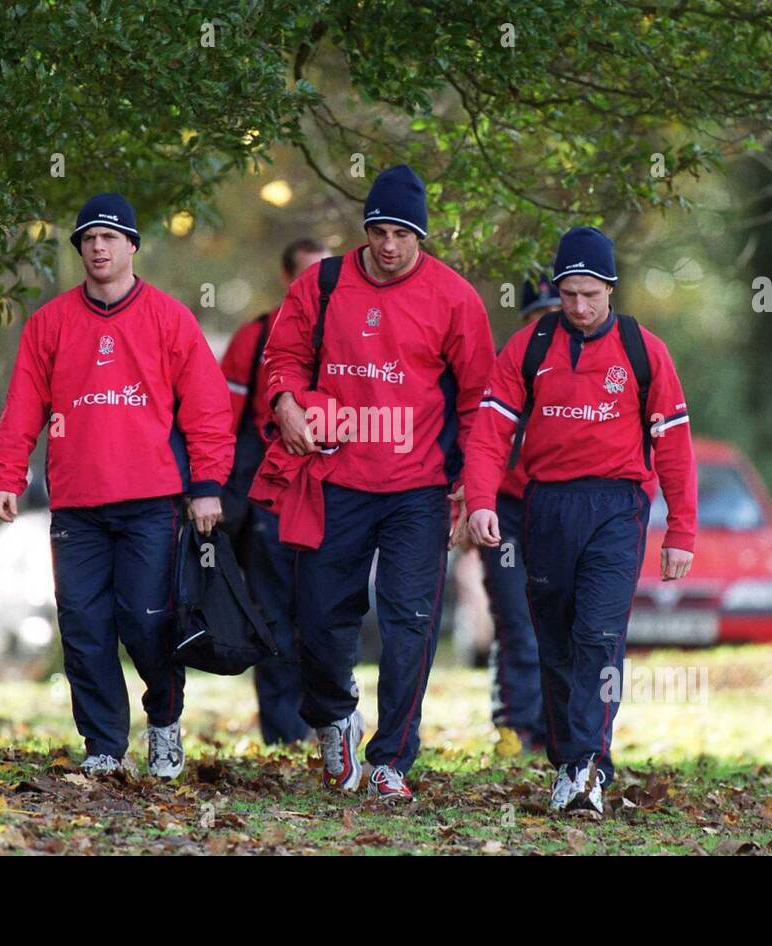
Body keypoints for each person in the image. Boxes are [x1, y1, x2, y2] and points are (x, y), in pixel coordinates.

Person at [0, 192, 233, 780]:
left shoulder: (169, 319)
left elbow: (207, 409)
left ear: (132, 247)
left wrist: (208, 484)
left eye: (110, 238)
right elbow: (23, 406)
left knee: (146, 621)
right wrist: (4, 474)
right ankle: (104, 748)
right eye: (88, 239)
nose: (98, 247)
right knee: (84, 627)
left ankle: (164, 720)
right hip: (76, 505)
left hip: (151, 504)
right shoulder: (51, 323)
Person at [261, 165, 494, 799]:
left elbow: (479, 403)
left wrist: (472, 487)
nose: (388, 246)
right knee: (318, 617)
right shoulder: (324, 284)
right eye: (379, 231)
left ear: (421, 235)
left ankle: (392, 757)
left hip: (418, 487)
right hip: (334, 478)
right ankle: (336, 716)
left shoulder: (455, 298)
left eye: (402, 234)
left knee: (409, 620)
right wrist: (284, 404)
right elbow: (280, 358)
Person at [464, 226, 697, 815]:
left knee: (598, 633)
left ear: (611, 290)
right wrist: (482, 500)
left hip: (618, 507)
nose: (579, 306)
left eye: (591, 295)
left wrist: (681, 532)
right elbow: (491, 429)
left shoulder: (644, 350)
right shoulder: (530, 346)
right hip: (547, 507)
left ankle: (587, 764)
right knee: (556, 636)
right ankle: (569, 756)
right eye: (569, 294)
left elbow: (673, 444)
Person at [220, 237, 326, 745]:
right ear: (288, 278)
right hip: (270, 501)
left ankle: (331, 727)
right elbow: (221, 422)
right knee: (274, 617)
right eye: (309, 273)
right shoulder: (254, 338)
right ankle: (284, 736)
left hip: (333, 496)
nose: (320, 284)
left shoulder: (350, 335)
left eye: (327, 273)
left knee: (326, 614)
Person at [478, 277, 560, 753]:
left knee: (560, 619)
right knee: (515, 619)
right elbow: (483, 437)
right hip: (508, 510)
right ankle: (515, 727)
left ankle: (557, 728)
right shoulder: (507, 366)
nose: (548, 325)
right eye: (538, 316)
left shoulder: (582, 365)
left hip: (557, 508)